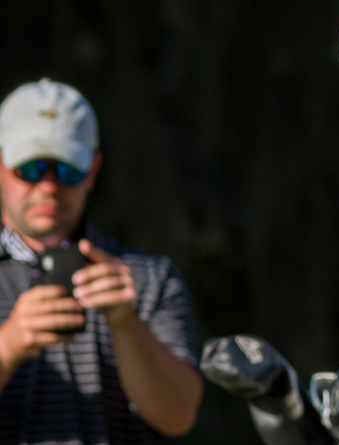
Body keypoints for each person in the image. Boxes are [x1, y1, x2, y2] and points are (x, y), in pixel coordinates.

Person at [0, 79, 202, 442]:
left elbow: (178, 416)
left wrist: (127, 325)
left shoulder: (148, 277)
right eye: (30, 168)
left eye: (67, 170)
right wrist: (9, 344)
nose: (48, 186)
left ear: (92, 170)